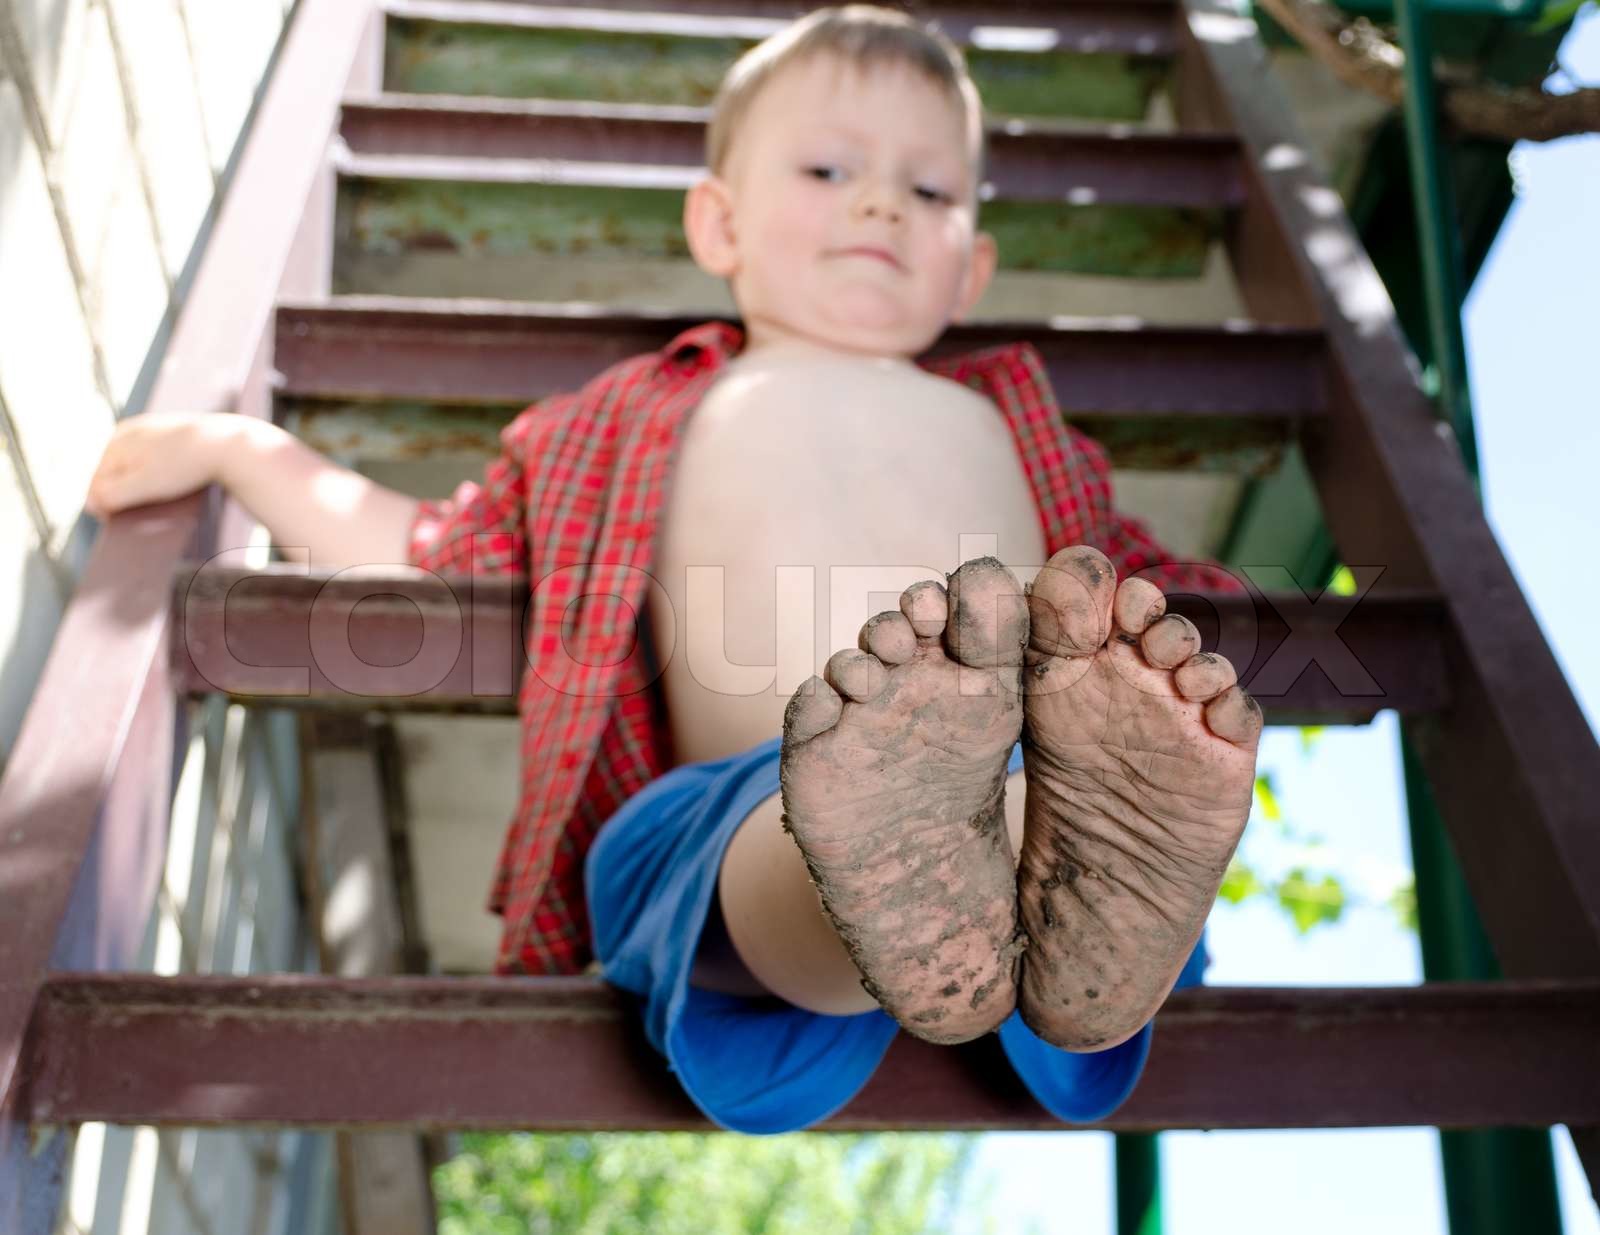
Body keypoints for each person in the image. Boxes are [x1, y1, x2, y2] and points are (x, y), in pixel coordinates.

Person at [86, 5, 1261, 1134]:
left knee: (1052, 770)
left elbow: (1157, 599)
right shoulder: (619, 419)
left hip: (1034, 784)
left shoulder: (1032, 432)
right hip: (753, 797)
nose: (879, 203)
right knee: (776, 842)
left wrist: (1195, 678)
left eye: (930, 188)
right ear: (720, 225)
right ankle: (907, 866)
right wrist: (243, 450)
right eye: (826, 171)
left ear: (970, 265)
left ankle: (1071, 881)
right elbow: (432, 552)